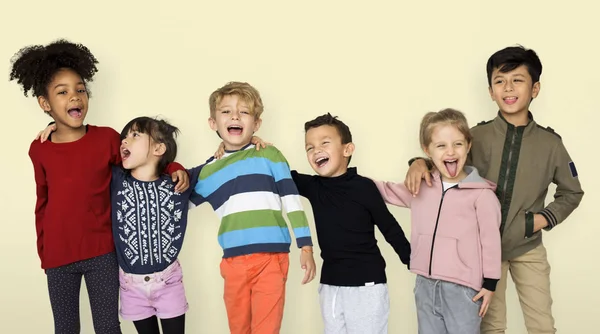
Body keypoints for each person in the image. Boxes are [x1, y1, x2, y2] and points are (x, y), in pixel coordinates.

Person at [10, 39, 189, 334]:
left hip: (102, 253)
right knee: (65, 328)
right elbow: (43, 200)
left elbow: (140, 163)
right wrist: (44, 249)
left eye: (80, 90)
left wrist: (173, 166)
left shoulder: (106, 139)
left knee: (107, 326)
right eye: (62, 92)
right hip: (57, 255)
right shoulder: (39, 148)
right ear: (45, 104)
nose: (75, 97)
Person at [404, 46, 584, 334]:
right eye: (500, 81)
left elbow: (572, 192)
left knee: (542, 325)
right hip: (482, 253)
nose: (508, 88)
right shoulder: (476, 136)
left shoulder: (551, 144)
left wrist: (539, 220)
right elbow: (446, 159)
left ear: (535, 88)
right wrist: (417, 163)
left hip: (528, 248)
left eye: (518, 80)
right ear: (490, 91)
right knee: (490, 325)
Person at [215, 112, 411, 334]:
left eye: (325, 143)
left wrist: (412, 260)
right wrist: (250, 145)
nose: (316, 150)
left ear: (347, 149)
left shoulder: (364, 188)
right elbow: (275, 174)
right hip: (330, 284)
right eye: (310, 147)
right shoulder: (314, 186)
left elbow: (390, 228)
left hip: (366, 285)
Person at [189, 81, 317, 334]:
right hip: (233, 262)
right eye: (226, 111)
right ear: (213, 123)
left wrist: (306, 245)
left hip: (272, 258)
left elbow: (292, 200)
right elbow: (178, 202)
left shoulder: (270, 155)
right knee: (238, 329)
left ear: (256, 124)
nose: (235, 116)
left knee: (266, 329)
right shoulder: (209, 172)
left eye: (244, 112)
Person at [372, 108, 501, 334]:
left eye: (458, 144)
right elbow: (386, 191)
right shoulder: (421, 186)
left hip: (464, 289)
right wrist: (350, 182)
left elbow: (491, 241)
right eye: (441, 146)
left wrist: (490, 284)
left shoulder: (482, 195)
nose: (450, 151)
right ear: (427, 150)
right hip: (425, 283)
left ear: (468, 146)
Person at [112, 117, 202, 334]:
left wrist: (242, 144)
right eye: (124, 137)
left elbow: (218, 166)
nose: (125, 141)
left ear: (159, 148)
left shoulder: (179, 183)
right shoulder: (115, 179)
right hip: (130, 286)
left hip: (168, 281)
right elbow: (88, 148)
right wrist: (57, 130)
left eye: (135, 135)